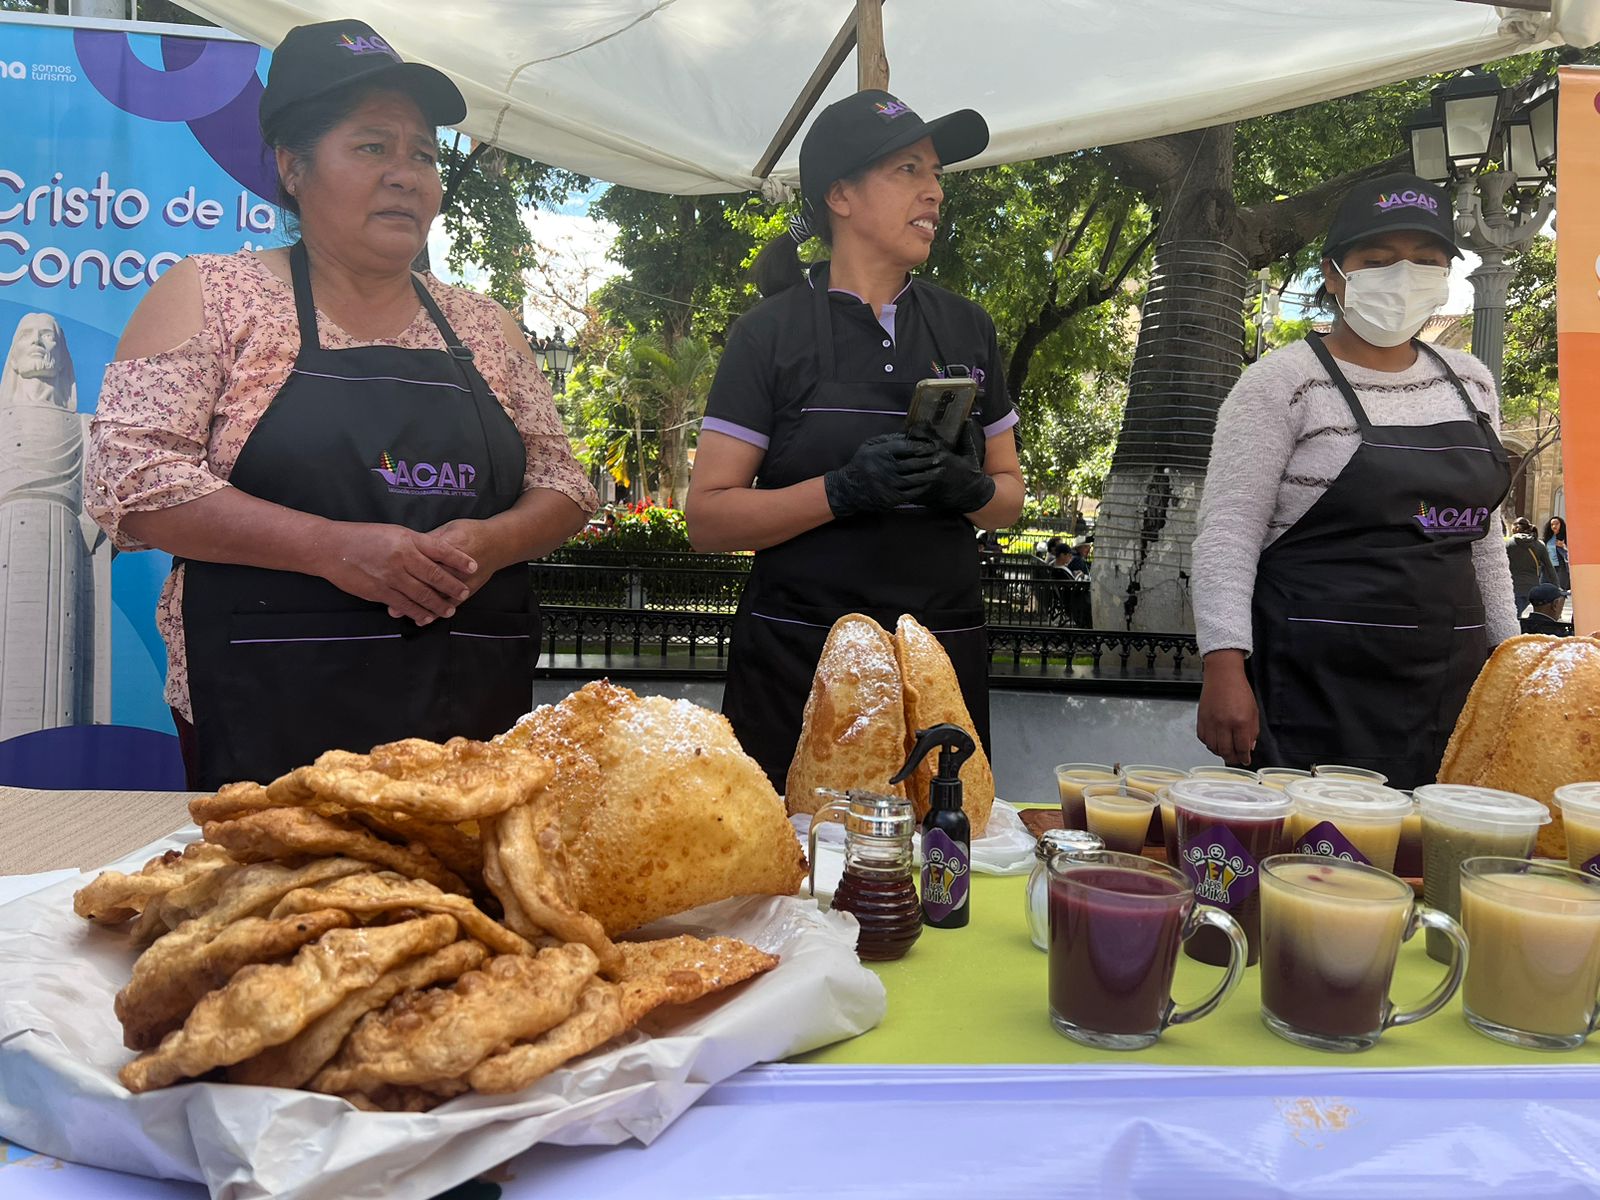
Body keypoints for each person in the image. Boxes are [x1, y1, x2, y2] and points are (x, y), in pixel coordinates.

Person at [85, 19, 597, 790]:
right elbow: (127, 481)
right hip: (269, 711)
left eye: (423, 153)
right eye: (372, 147)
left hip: (467, 716)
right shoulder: (216, 297)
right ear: (293, 166)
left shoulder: (485, 326)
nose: (407, 173)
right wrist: (332, 547)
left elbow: (565, 485)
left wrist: (488, 544)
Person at [685, 90, 1024, 788]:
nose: (934, 191)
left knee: (937, 864)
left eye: (936, 173)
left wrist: (973, 490)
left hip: (938, 662)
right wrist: (840, 491)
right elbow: (708, 518)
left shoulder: (967, 327)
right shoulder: (768, 335)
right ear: (840, 195)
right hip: (800, 666)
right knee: (793, 875)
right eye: (908, 170)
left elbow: (1010, 499)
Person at [1193, 173, 1517, 790]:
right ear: (1336, 274)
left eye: (1427, 261)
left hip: (1448, 682)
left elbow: (1483, 541)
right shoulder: (1281, 383)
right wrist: (1224, 666)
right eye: (1379, 260)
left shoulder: (1471, 382)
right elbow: (1227, 537)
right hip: (1315, 683)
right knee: (1312, 865)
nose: (1404, 275)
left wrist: (1511, 662)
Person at [1506, 516, 1557, 615]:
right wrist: (1557, 587)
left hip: (1515, 588)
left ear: (1514, 528)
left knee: (1515, 617)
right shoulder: (1539, 544)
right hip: (1534, 590)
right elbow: (1549, 568)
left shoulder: (1508, 544)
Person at [1545, 514, 1571, 591]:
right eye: (1552, 524)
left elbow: (1572, 552)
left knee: (1560, 589)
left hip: (1561, 566)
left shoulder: (1566, 536)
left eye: (1556, 524)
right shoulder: (1548, 537)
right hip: (1549, 566)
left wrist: (1563, 546)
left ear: (1561, 525)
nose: (1554, 526)